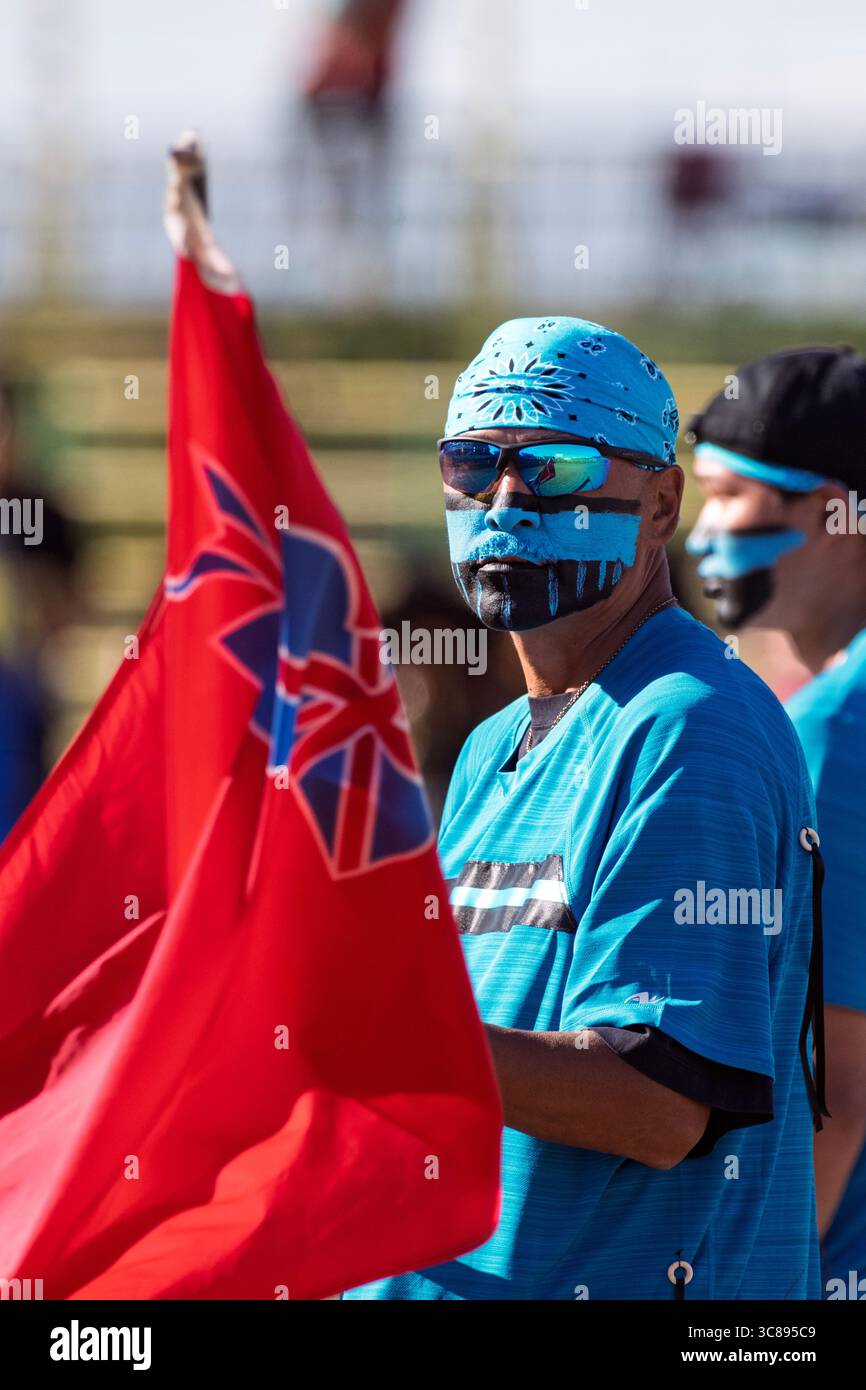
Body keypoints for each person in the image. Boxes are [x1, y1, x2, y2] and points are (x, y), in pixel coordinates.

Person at [344, 318, 825, 1300]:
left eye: (556, 468)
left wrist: (363, 1034)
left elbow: (655, 1103)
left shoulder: (691, 725)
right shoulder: (490, 748)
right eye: (472, 462)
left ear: (658, 504)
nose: (506, 498)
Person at [687, 346, 866, 1299]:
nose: (703, 532)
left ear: (838, 510)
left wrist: (751, 1313)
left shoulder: (835, 730)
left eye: (728, 496)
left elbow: (836, 1078)